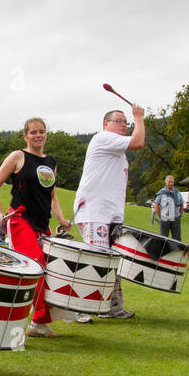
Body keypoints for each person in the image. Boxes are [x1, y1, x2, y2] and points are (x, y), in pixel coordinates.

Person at [0, 116, 73, 338]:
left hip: (42, 225)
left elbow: (52, 195)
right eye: (33, 132)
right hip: (20, 220)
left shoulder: (51, 162)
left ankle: (36, 321)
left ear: (46, 134)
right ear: (25, 136)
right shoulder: (18, 156)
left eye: (41, 131)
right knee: (36, 267)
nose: (38, 135)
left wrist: (62, 220)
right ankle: (35, 322)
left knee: (46, 270)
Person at [72, 104, 145, 318]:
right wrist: (139, 117)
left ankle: (112, 307)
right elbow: (138, 141)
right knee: (97, 262)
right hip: (95, 213)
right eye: (119, 121)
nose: (124, 125)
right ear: (106, 124)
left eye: (126, 122)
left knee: (113, 261)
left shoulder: (119, 153)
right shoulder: (102, 138)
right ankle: (79, 309)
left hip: (110, 215)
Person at [152, 175, 185, 240]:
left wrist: (179, 215)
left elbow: (181, 204)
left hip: (176, 218)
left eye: (172, 182)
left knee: (177, 238)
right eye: (169, 182)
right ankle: (164, 250)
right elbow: (156, 205)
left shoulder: (177, 193)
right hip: (165, 218)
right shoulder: (161, 193)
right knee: (163, 238)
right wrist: (160, 216)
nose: (171, 183)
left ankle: (177, 250)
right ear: (166, 182)